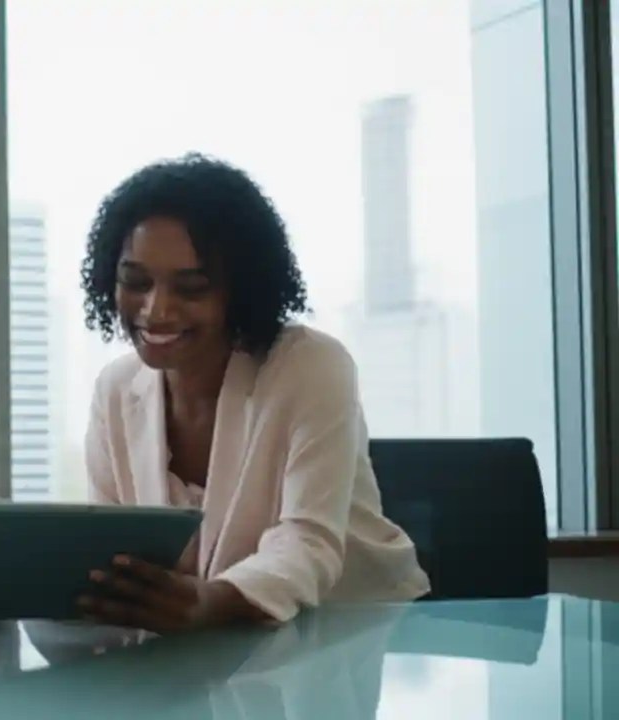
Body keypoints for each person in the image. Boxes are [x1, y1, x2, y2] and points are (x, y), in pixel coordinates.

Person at [76, 154, 430, 633]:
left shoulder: (310, 366)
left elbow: (308, 542)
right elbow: (115, 554)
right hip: (206, 657)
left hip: (353, 636)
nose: (156, 311)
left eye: (192, 288)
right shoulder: (115, 390)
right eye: (136, 282)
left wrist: (211, 602)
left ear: (239, 292)